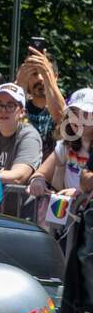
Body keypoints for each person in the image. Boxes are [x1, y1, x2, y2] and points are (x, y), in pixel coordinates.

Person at [28, 88, 93, 230]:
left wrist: (78, 193)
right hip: (66, 217)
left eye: (85, 114)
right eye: (74, 113)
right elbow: (41, 173)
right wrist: (38, 181)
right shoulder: (65, 146)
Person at [15, 46, 66, 144]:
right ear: (27, 78)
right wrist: (20, 83)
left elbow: (62, 118)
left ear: (55, 77)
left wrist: (48, 77)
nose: (40, 79)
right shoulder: (20, 107)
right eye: (34, 74)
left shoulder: (71, 105)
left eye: (44, 73)